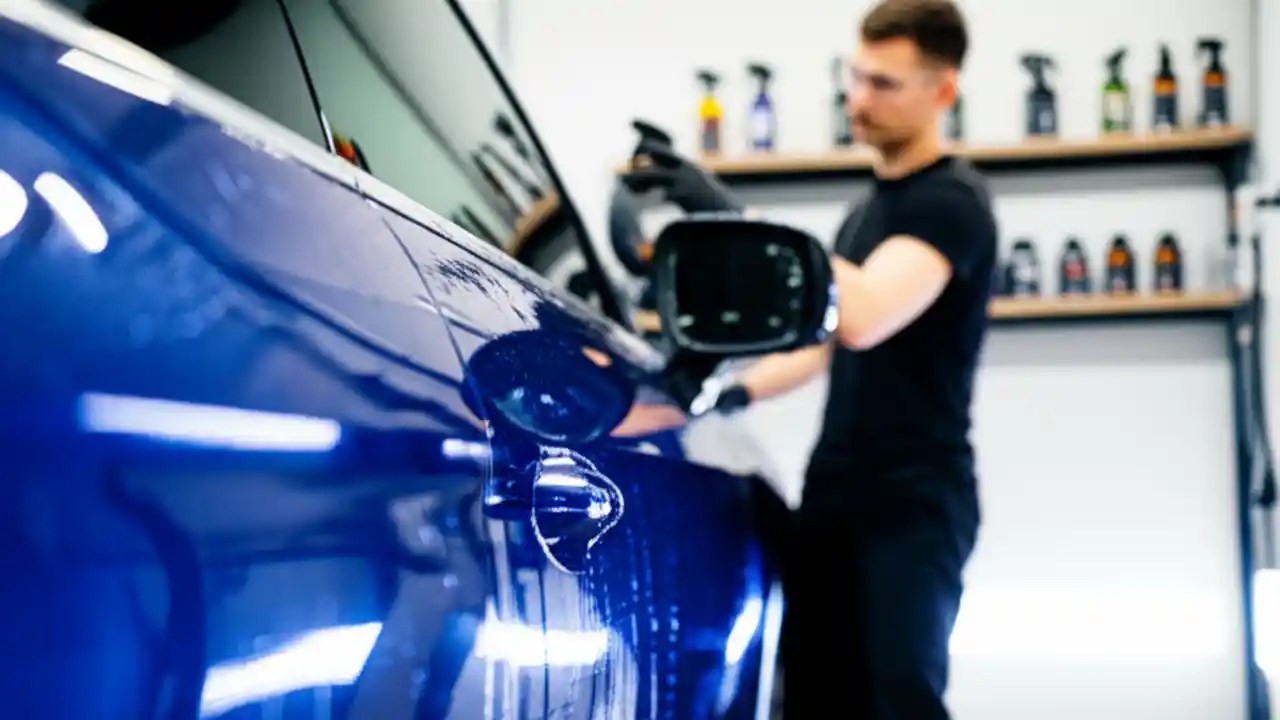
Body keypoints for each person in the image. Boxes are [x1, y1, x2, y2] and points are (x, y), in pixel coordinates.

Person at [709, 0, 998, 717]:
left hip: (913, 501)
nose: (859, 100)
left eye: (884, 84)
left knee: (897, 699)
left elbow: (864, 316)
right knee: (813, 698)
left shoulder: (952, 204)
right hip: (835, 489)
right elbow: (820, 346)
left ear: (943, 90)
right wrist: (722, 395)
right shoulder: (863, 214)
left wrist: (750, 225)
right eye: (857, 77)